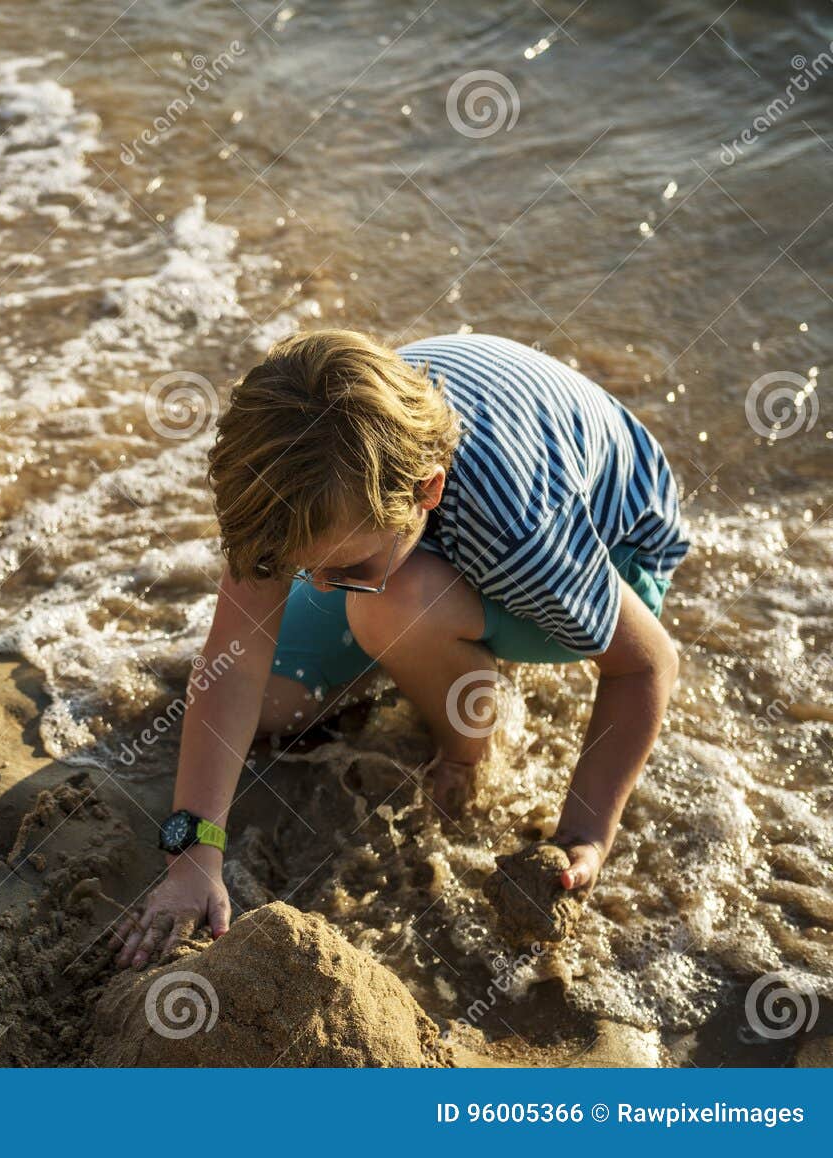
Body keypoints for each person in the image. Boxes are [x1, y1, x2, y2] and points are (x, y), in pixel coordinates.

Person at [115, 329, 688, 968]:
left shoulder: (523, 532)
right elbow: (233, 667)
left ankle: (468, 740)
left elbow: (647, 664)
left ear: (427, 492)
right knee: (277, 706)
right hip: (402, 521)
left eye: (344, 566)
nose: (322, 587)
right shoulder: (283, 485)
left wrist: (586, 833)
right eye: (305, 570)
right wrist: (194, 855)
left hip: (615, 547)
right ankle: (417, 641)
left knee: (388, 602)